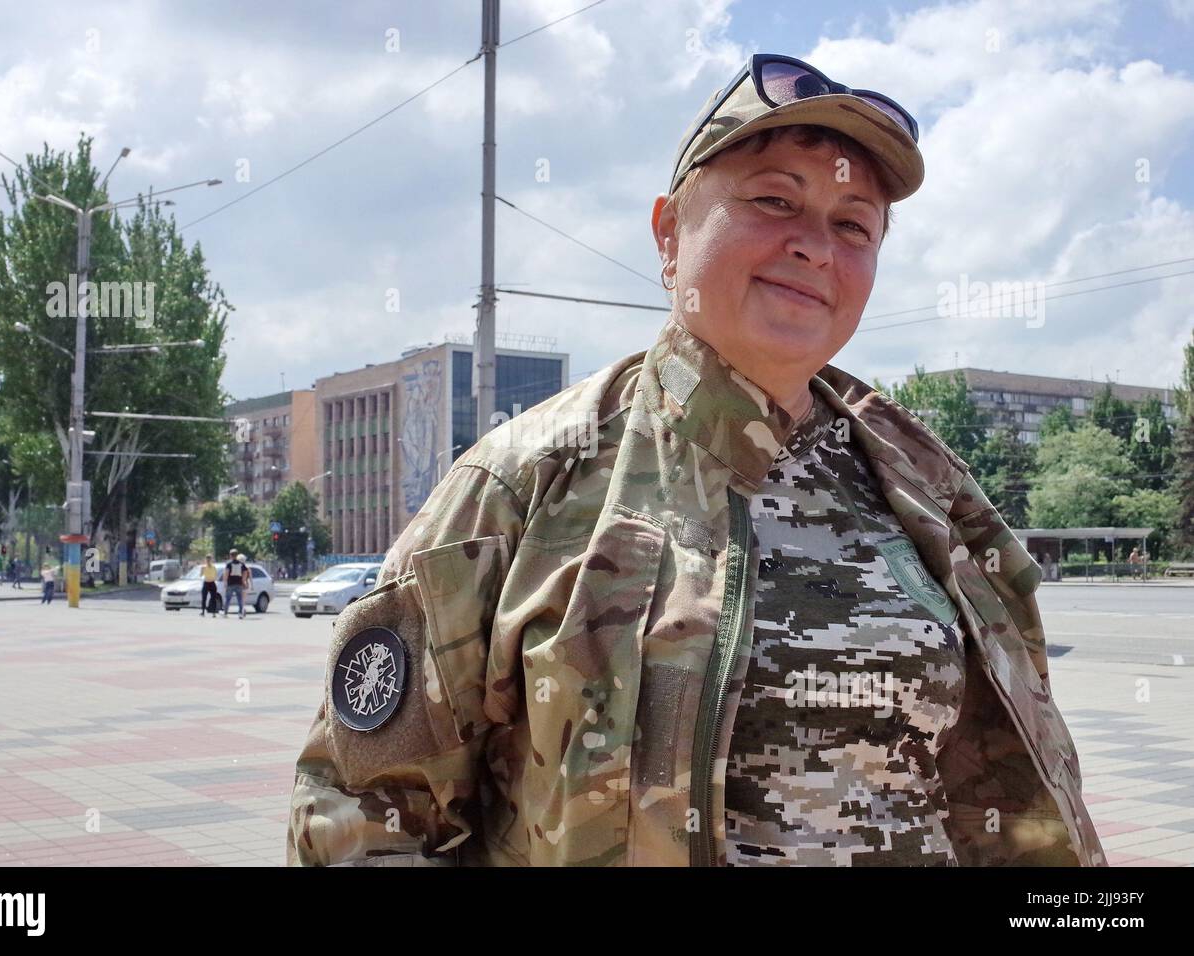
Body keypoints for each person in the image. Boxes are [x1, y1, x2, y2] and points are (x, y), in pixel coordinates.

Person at [287, 53, 1104, 868]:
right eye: (775, 200)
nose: (816, 247)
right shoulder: (525, 481)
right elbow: (358, 817)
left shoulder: (929, 489)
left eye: (853, 224)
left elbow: (1021, 787)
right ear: (669, 234)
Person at [222, 549, 247, 619]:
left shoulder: (229, 564)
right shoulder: (241, 564)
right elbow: (245, 572)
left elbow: (226, 573)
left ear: (230, 555)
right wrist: (243, 580)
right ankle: (240, 613)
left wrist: (225, 582)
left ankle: (225, 613)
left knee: (228, 599)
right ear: (236, 555)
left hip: (230, 583)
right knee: (240, 599)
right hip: (239, 583)